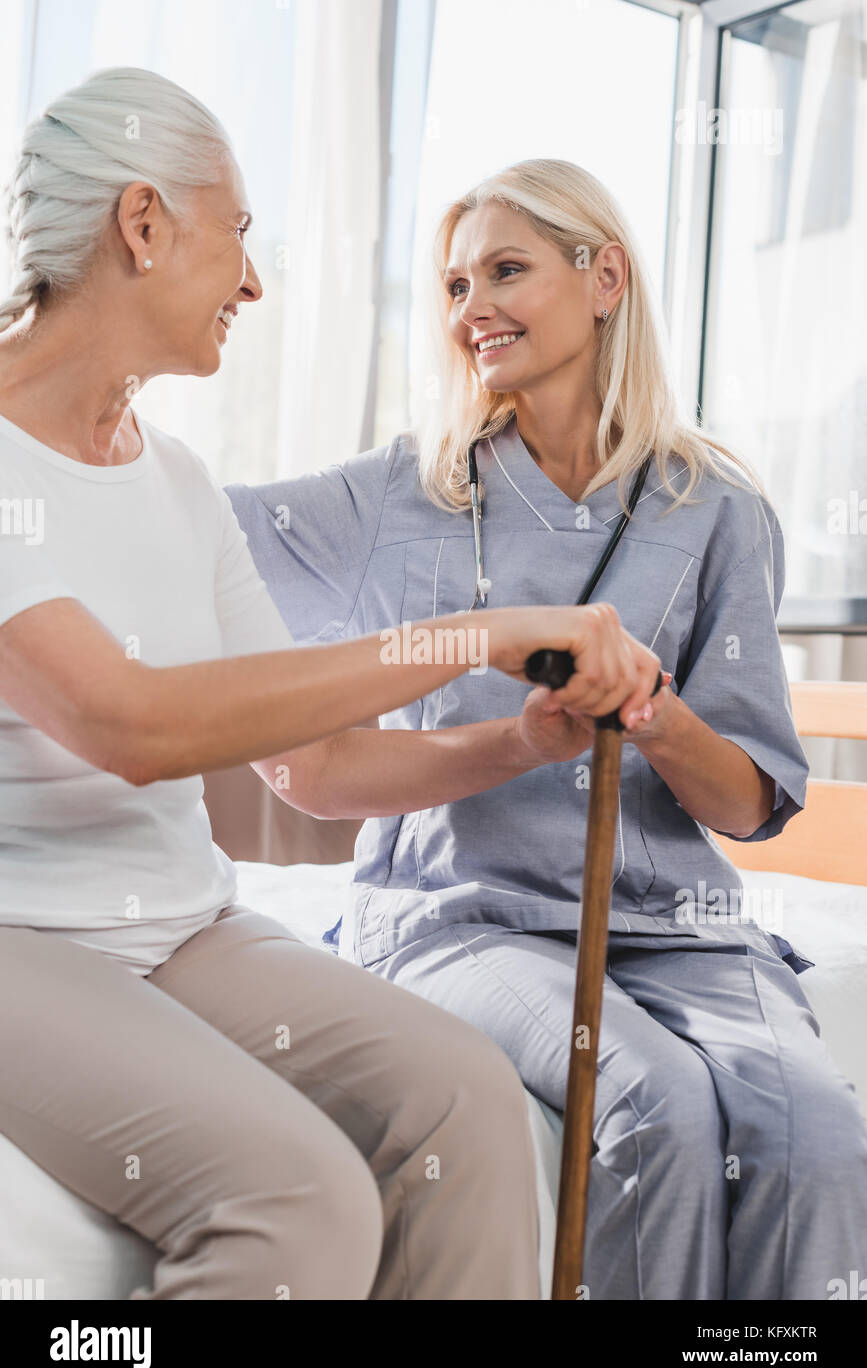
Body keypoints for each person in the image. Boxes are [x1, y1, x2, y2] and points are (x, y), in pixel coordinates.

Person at [0, 70, 660, 1301]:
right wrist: (470, 633)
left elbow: (318, 767)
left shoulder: (178, 480)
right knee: (296, 1194)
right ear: (143, 226)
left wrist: (520, 743)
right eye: (238, 235)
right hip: (18, 938)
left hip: (180, 926)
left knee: (463, 1096)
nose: (253, 282)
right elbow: (130, 726)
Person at [227, 157, 867, 1300]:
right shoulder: (404, 492)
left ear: (604, 274)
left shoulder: (717, 506)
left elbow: (746, 804)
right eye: (456, 284)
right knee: (651, 1105)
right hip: (458, 918)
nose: (473, 308)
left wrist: (652, 712)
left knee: (814, 1133)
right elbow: (199, 527)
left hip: (682, 927)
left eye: (506, 271)